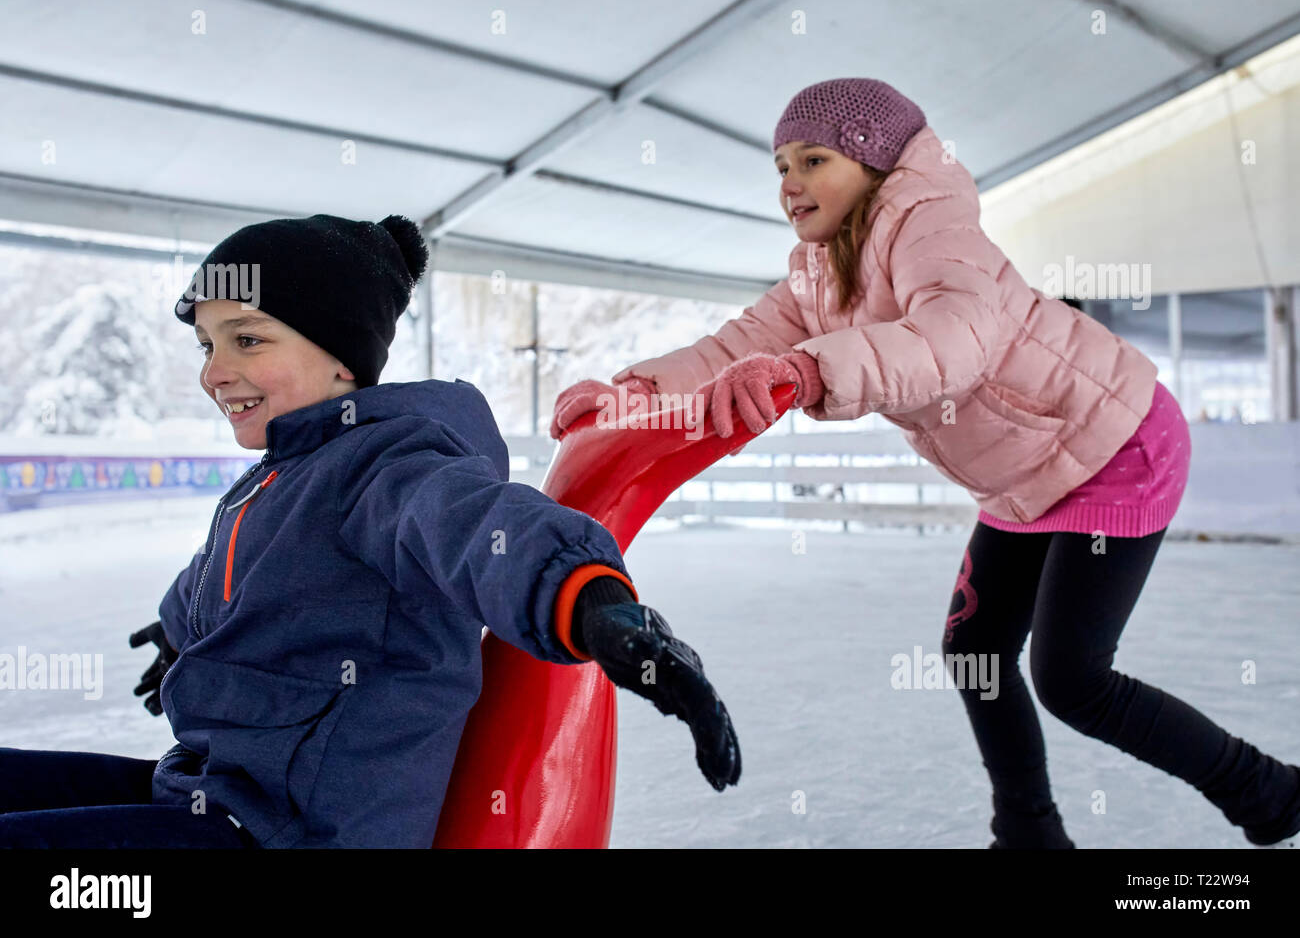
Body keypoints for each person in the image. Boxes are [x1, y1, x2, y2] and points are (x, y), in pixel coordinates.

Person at [550, 78, 1300, 849]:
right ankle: (1029, 835)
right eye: (780, 165)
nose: (790, 182)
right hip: (1024, 473)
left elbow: (952, 343)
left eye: (814, 159)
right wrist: (633, 393)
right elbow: (734, 348)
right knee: (976, 655)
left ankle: (1269, 791)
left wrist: (812, 370)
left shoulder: (935, 230)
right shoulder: (815, 275)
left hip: (1114, 442)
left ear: (876, 166)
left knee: (1074, 681)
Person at [0, 213, 740, 849]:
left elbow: (474, 526)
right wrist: (178, 631)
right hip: (212, 790)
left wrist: (593, 601)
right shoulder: (278, 473)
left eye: (247, 340)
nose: (213, 373)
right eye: (208, 345)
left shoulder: (386, 465)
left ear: (342, 357)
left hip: (288, 832)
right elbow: (227, 576)